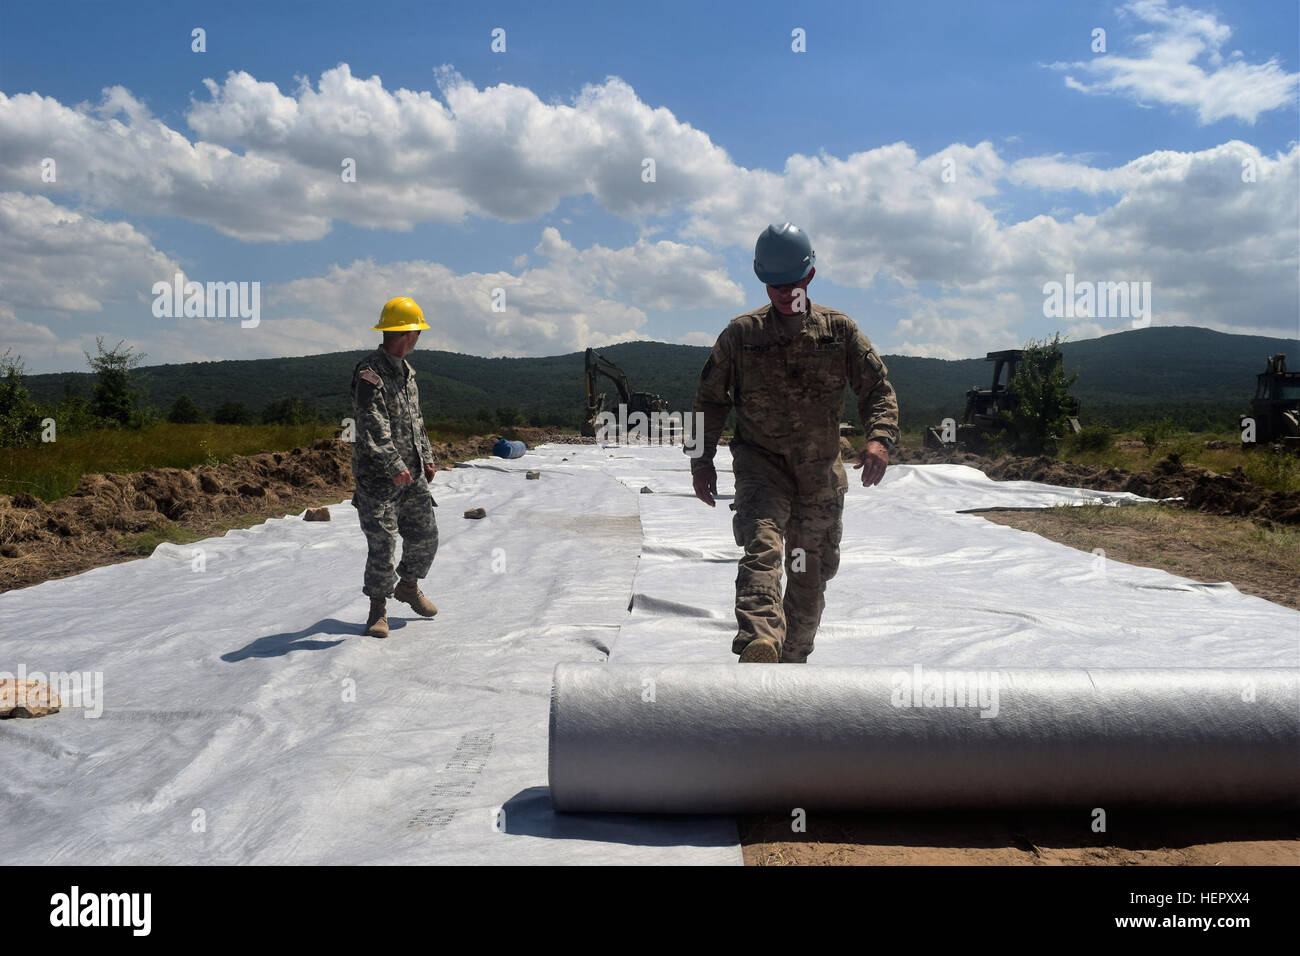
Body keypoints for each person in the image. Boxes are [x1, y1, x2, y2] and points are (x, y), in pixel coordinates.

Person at [689, 223, 900, 663]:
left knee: (808, 572)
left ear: (810, 277)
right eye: (774, 285)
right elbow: (708, 401)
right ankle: (760, 640)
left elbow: (877, 389)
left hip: (818, 477)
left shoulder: (838, 332)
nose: (784, 294)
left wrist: (880, 439)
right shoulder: (742, 335)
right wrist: (699, 459)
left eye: (791, 284)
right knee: (763, 547)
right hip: (761, 469)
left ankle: (791, 662)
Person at [350, 296, 440, 638]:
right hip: (379, 479)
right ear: (407, 333)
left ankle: (408, 586)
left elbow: (415, 421)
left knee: (426, 536)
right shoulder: (369, 373)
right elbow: (371, 422)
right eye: (417, 331)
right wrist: (392, 463)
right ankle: (378, 609)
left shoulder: (407, 372)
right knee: (383, 544)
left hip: (411, 474)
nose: (418, 338)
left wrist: (426, 456)